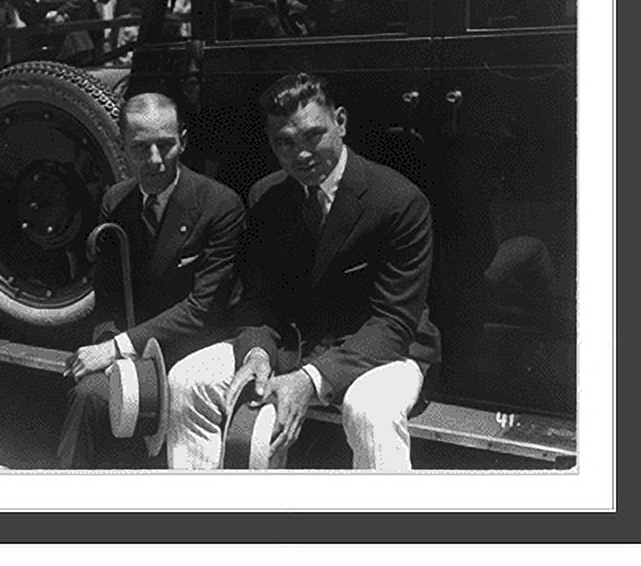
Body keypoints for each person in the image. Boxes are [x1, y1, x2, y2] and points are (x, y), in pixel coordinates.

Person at [165, 72, 441, 471]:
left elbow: (394, 322)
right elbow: (259, 300)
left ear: (341, 122)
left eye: (314, 135)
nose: (302, 155)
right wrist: (257, 351)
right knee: (188, 379)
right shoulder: (267, 196)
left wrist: (309, 379)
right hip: (296, 344)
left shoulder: (399, 201)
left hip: (382, 350)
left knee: (369, 411)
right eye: (285, 143)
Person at [56, 92, 245, 469]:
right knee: (88, 395)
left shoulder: (219, 206)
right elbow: (107, 296)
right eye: (141, 148)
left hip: (194, 354)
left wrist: (117, 349)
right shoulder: (116, 200)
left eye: (165, 145)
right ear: (122, 148)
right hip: (133, 355)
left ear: (184, 142)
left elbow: (202, 309)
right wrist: (109, 350)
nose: (155, 161)